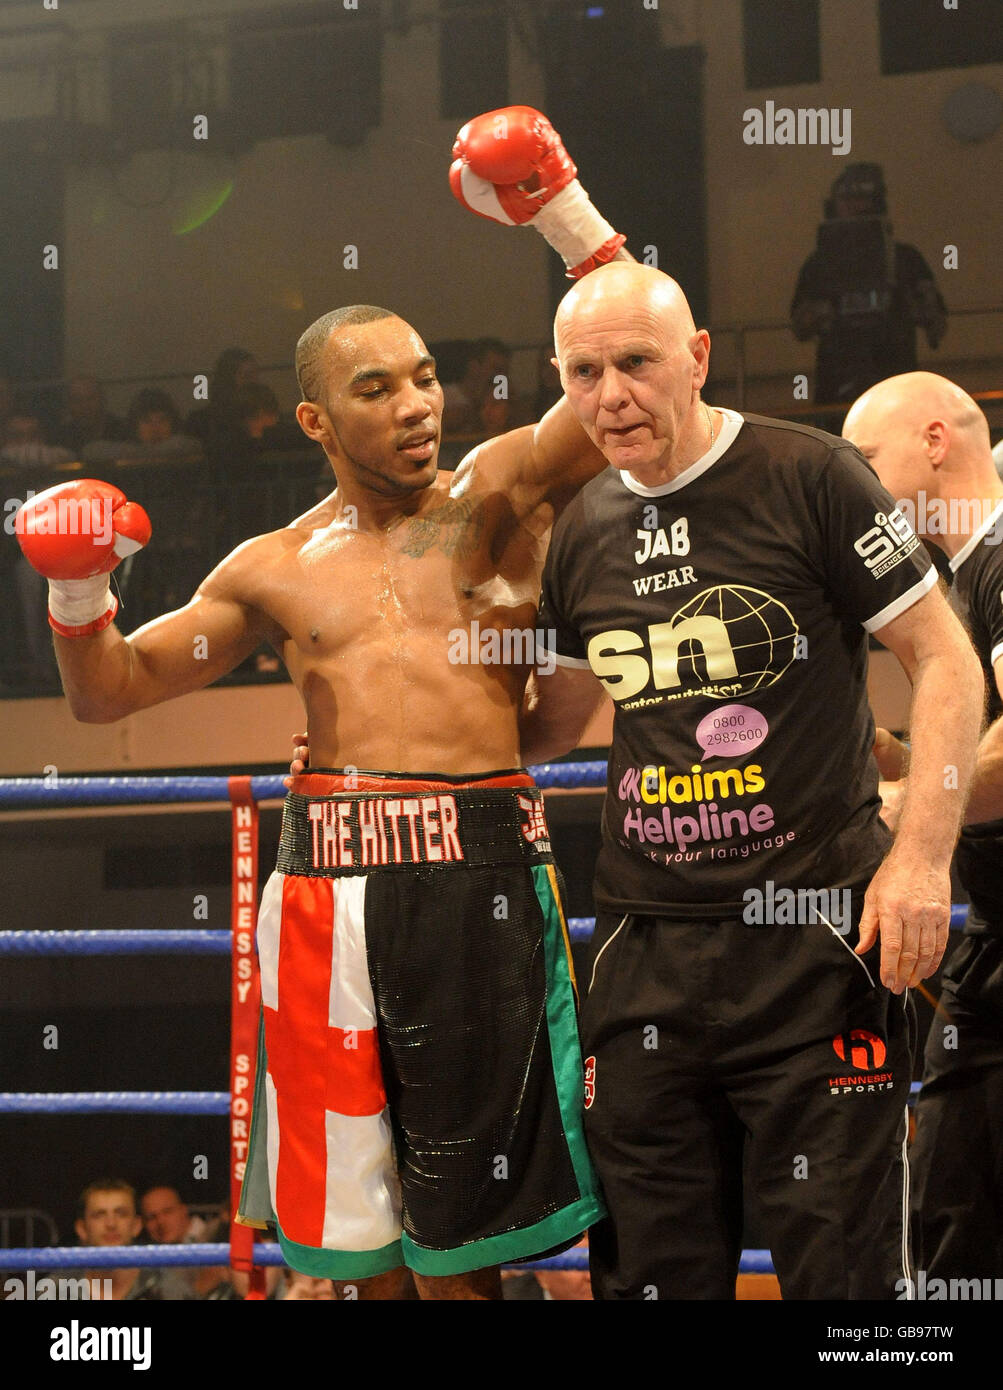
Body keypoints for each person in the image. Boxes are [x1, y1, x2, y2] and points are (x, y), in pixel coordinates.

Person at [16, 105, 630, 1301]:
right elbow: (111, 697)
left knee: (470, 1240)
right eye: (375, 388)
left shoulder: (496, 489)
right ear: (315, 421)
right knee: (361, 1243)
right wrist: (79, 586)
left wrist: (561, 211)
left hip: (482, 878)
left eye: (423, 378)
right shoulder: (271, 564)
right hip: (327, 899)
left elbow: (632, 357)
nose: (417, 404)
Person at [514, 260, 982, 1299]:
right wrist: (371, 746)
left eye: (635, 362)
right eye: (583, 373)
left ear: (697, 358)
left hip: (817, 940)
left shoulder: (809, 474)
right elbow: (547, 726)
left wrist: (920, 860)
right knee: (651, 1272)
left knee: (847, 1276)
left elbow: (945, 659)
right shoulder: (581, 526)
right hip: (644, 953)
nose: (611, 395)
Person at [842, 371, 1003, 1287]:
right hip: (994, 946)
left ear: (935, 441)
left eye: (867, 460)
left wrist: (917, 810)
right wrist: (856, 745)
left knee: (955, 1212)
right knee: (951, 1210)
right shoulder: (951, 586)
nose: (855, 485)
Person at [790, 163, 946, 409]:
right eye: (848, 199)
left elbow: (936, 326)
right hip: (839, 385)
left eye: (862, 198)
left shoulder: (905, 258)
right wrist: (823, 310)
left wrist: (907, 304)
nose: (855, 206)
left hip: (895, 383)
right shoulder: (819, 264)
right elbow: (799, 327)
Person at [75, 1179, 190, 1300]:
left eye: (121, 1214)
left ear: (136, 1225)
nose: (111, 1224)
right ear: (82, 1228)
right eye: (99, 1215)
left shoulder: (167, 1287)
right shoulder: (60, 1288)